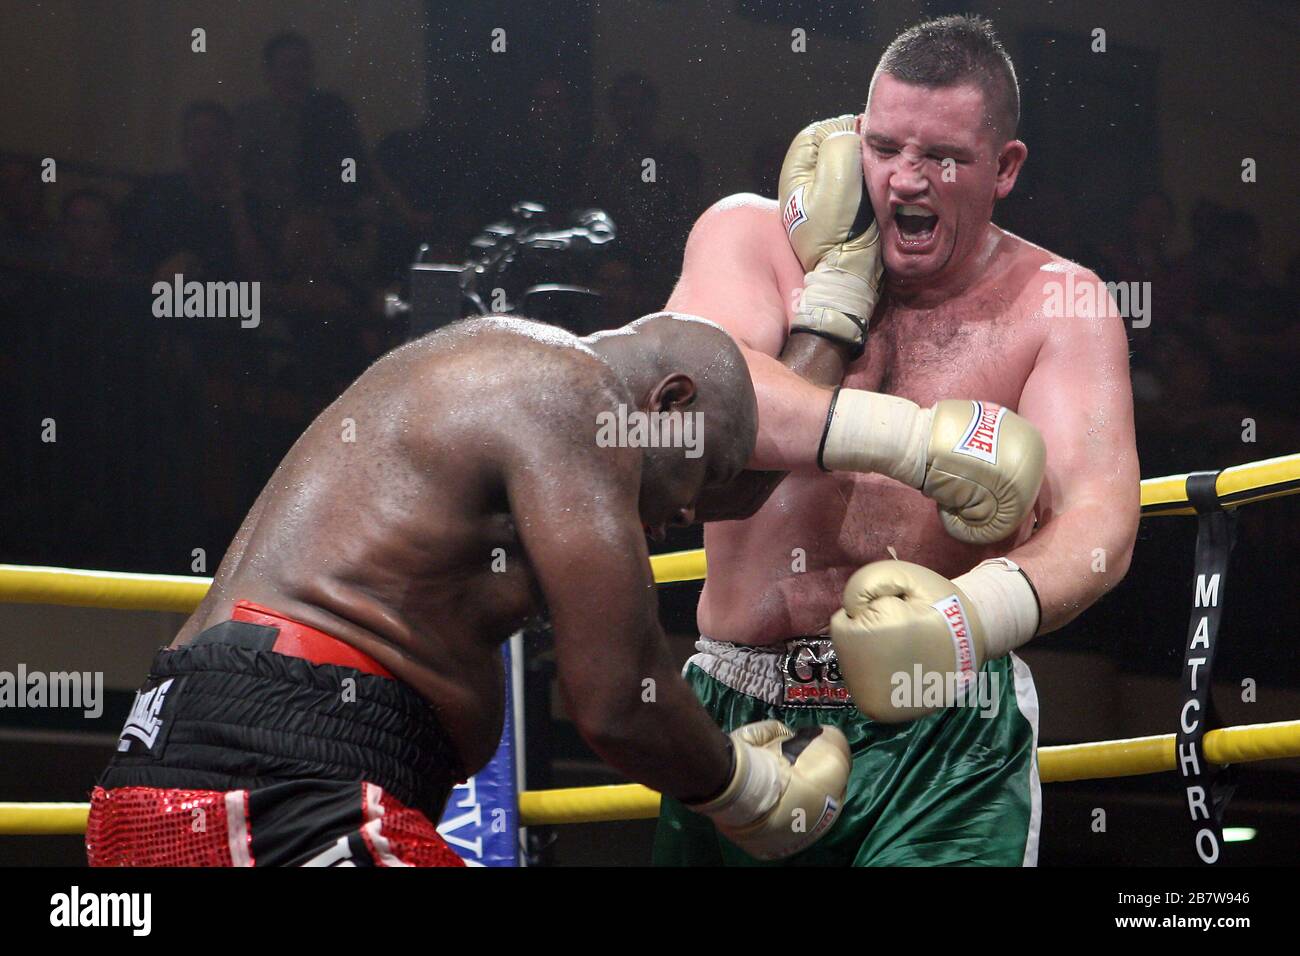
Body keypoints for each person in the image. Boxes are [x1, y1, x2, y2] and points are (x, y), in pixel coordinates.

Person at [86, 312, 852, 867]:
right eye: (700, 479)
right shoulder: (580, 397)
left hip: (216, 775)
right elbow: (620, 696)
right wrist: (746, 793)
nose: (686, 516)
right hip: (278, 790)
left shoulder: (489, 373)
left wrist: (834, 310)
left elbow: (747, 489)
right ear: (670, 404)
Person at [654, 14, 1140, 866]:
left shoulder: (1060, 301)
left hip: (946, 735)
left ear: (1005, 168)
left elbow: (1099, 523)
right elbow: (700, 404)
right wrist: (905, 425)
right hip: (743, 713)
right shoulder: (750, 236)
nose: (904, 181)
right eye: (882, 147)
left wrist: (970, 619)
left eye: (942, 158)